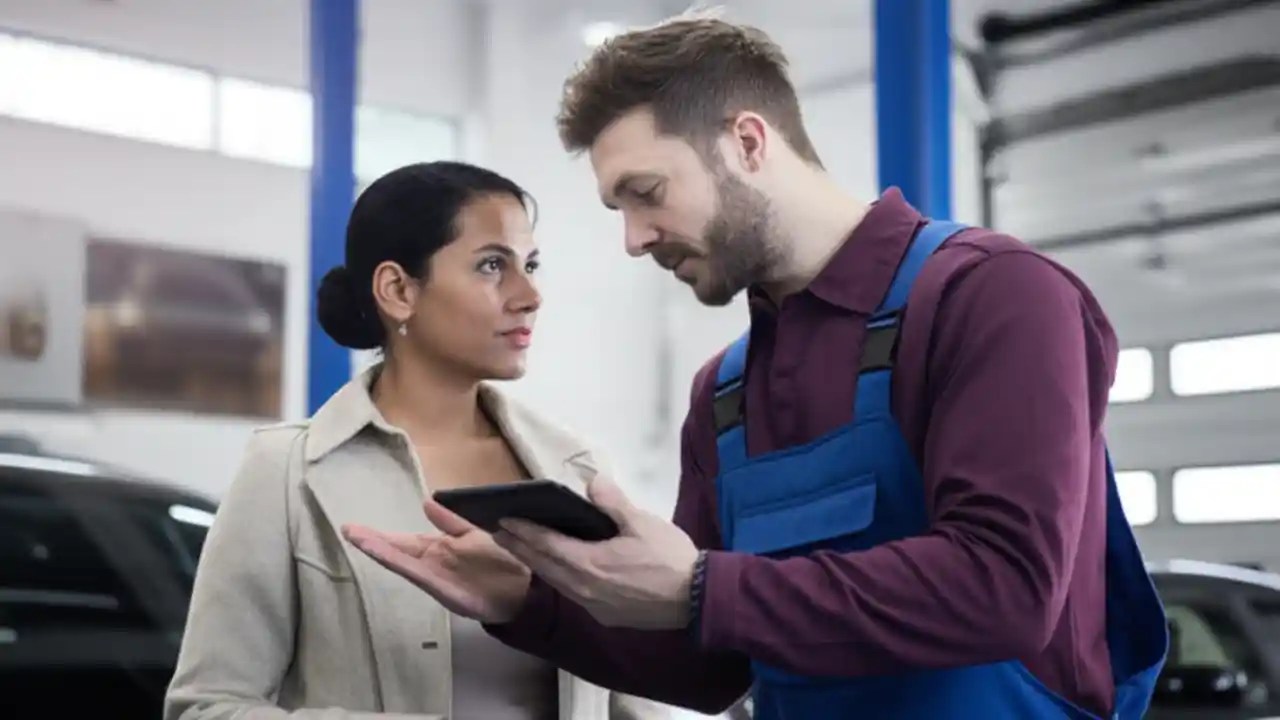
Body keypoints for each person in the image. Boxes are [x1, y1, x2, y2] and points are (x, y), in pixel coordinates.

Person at [342, 14, 1169, 720]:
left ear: (745, 142)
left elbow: (1005, 586)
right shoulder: (726, 393)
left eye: (646, 191)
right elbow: (711, 668)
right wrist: (529, 604)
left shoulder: (994, 297)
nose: (634, 238)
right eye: (618, 209)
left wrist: (703, 586)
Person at [164, 162, 667, 720]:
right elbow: (207, 708)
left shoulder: (578, 468)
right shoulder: (287, 472)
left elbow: (635, 696)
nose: (530, 295)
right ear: (398, 290)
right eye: (492, 265)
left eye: (531, 264)